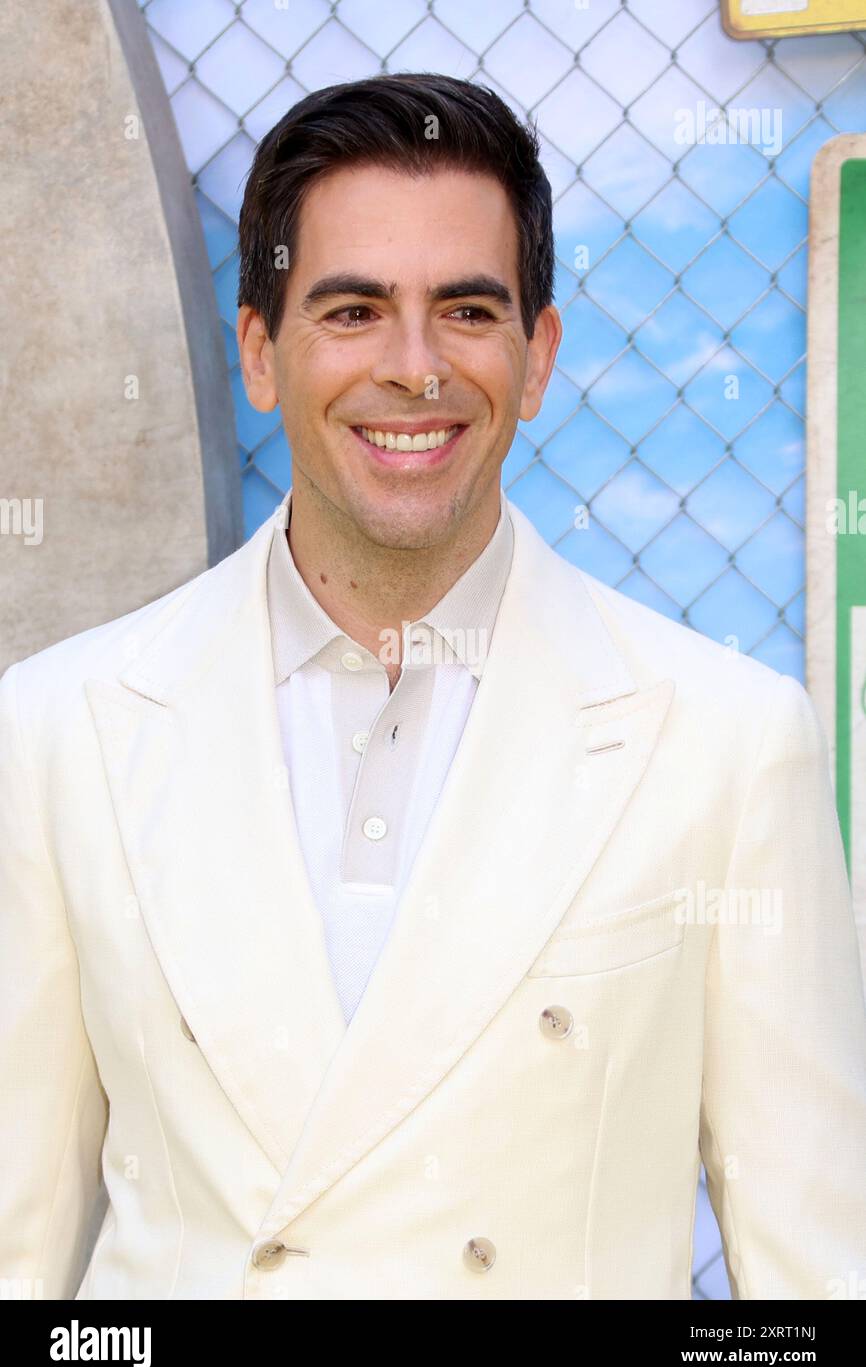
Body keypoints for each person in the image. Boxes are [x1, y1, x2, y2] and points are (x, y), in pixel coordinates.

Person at [1, 73, 865, 1301]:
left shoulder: (722, 744)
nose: (414, 370)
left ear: (538, 351)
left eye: (464, 310)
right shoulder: (59, 731)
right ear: (258, 350)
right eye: (351, 311)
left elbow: (814, 1289)